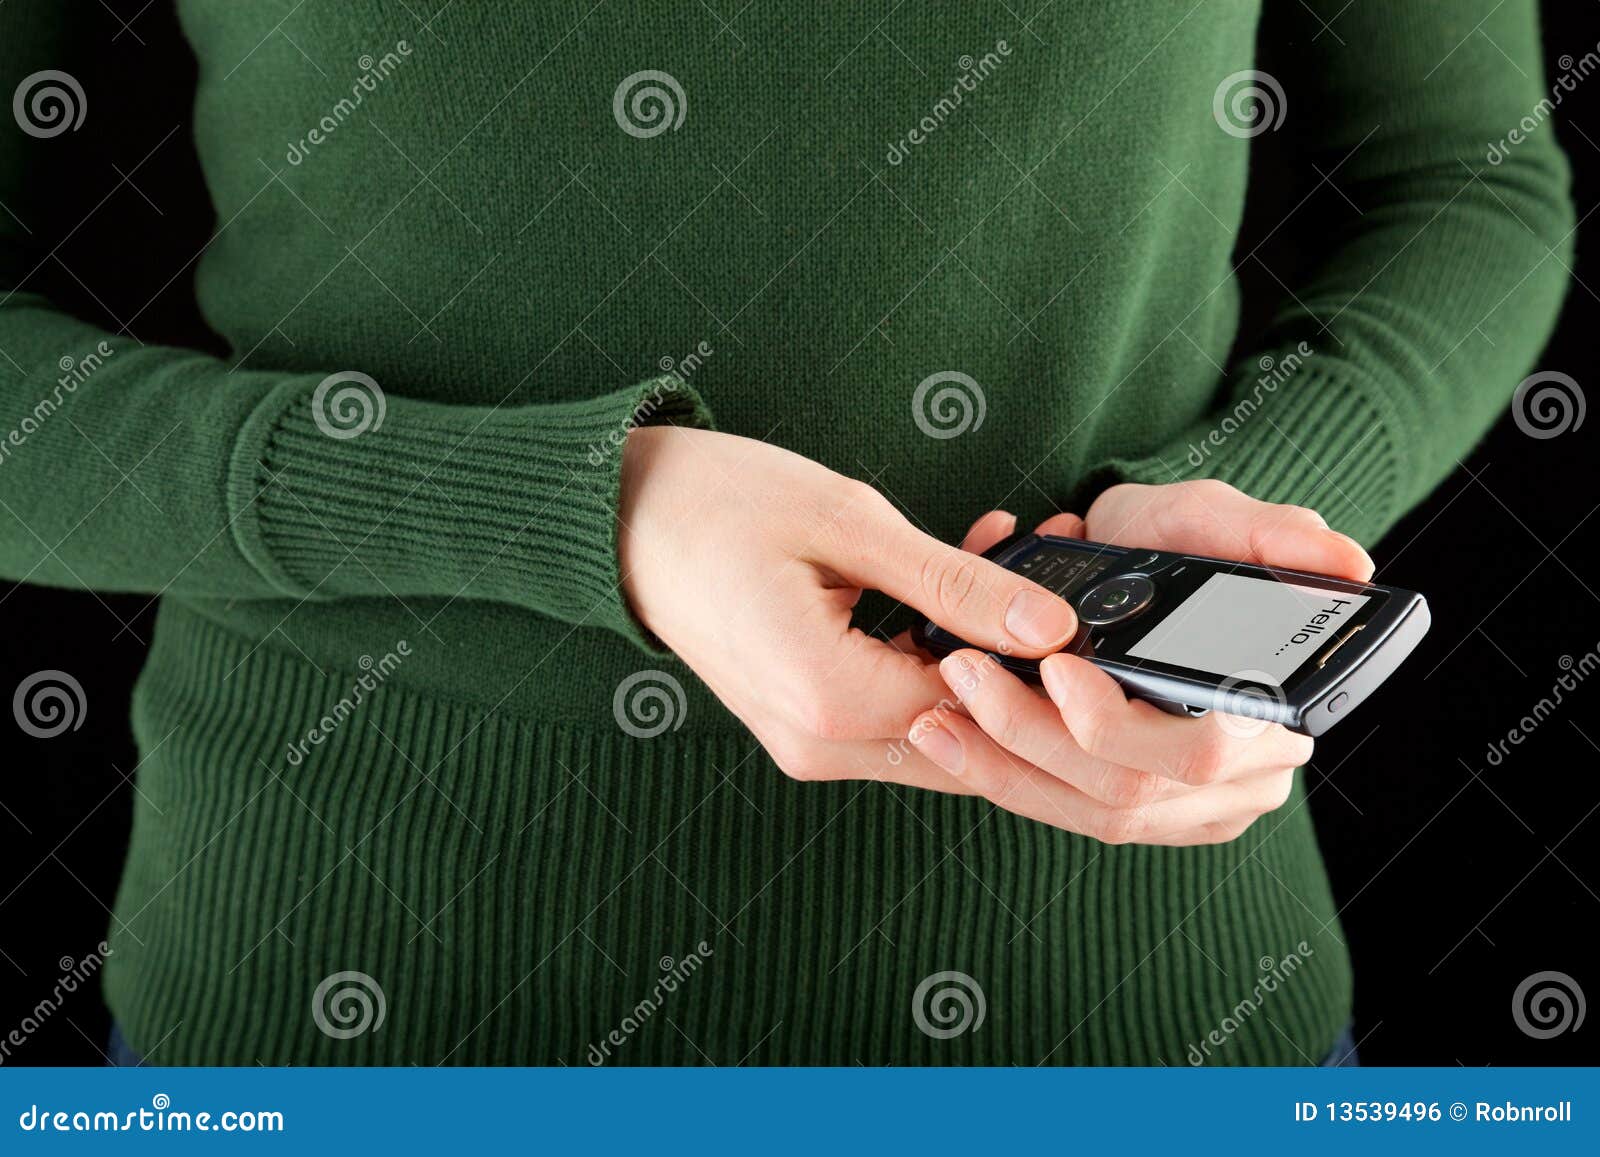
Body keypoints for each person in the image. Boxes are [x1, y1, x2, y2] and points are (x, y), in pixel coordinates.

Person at [0, 1, 1571, 1065]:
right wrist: (593, 511)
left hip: (1134, 1019)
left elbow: (1468, 182)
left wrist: (1224, 518)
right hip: (339, 1017)